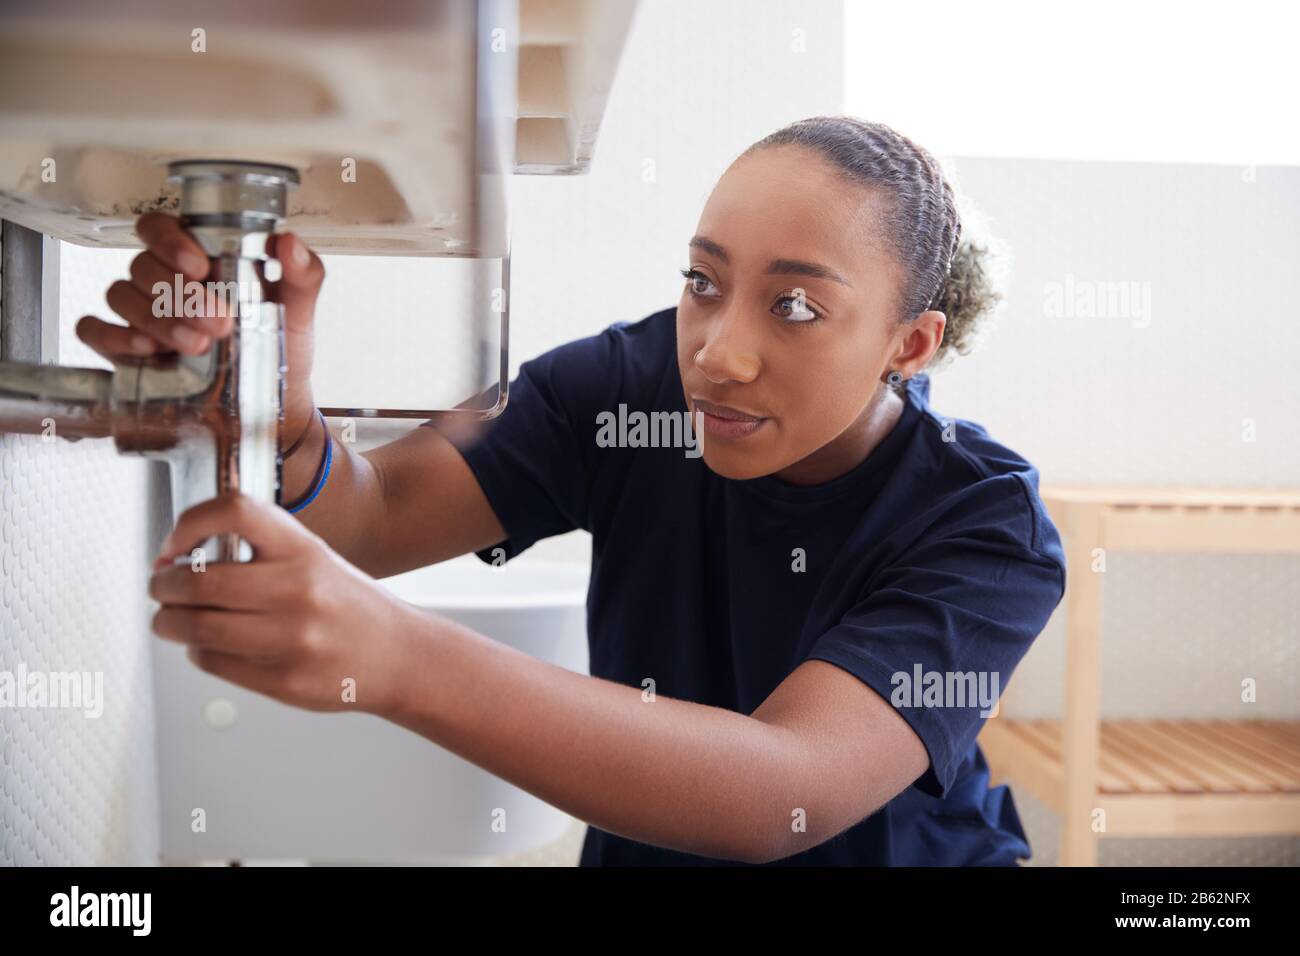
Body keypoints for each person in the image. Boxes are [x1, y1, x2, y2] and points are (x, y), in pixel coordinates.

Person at [78, 116, 1066, 866]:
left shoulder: (984, 524)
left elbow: (784, 790)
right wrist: (272, 408)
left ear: (909, 342)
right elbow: (369, 517)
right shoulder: (627, 386)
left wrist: (393, 651)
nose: (717, 354)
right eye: (703, 280)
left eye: (796, 305)